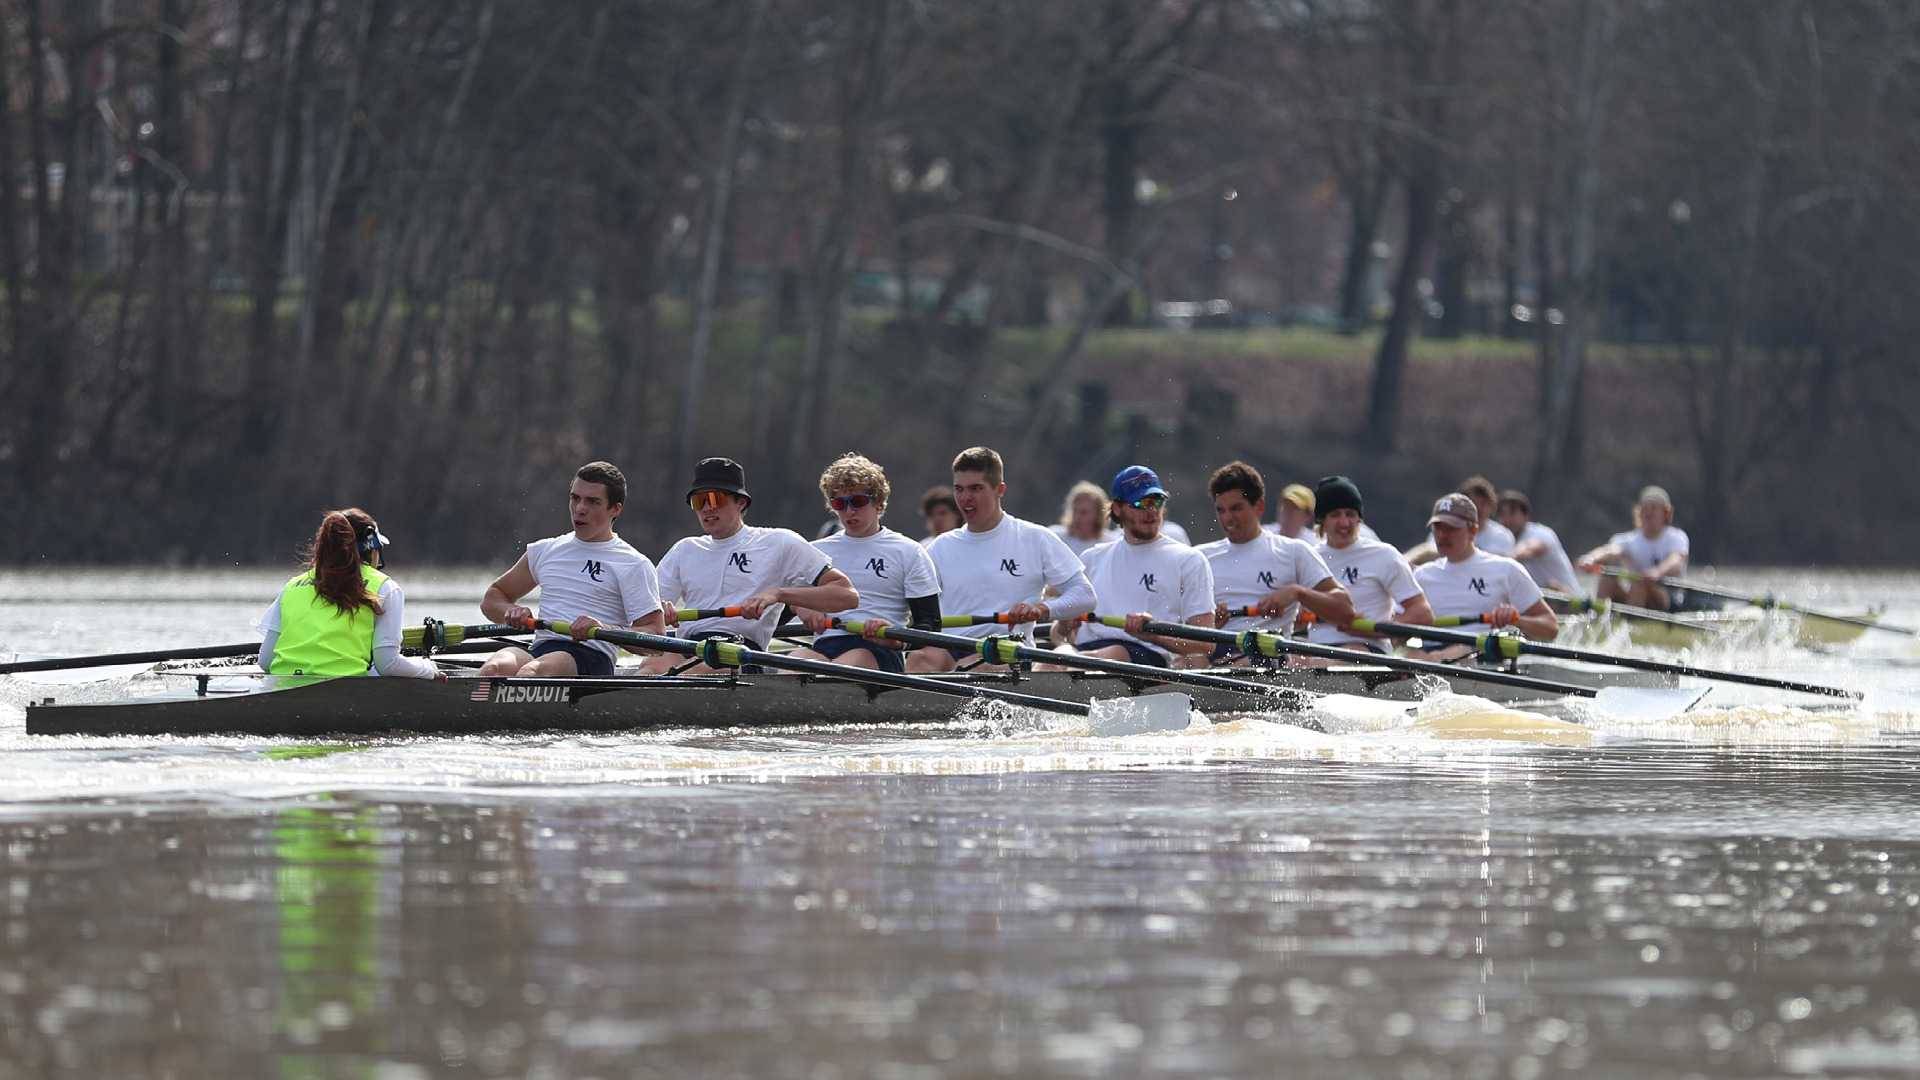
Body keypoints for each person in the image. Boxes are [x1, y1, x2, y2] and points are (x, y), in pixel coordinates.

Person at [639, 457, 859, 675]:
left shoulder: (780, 542)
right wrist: (658, 610)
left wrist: (779, 594)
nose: (706, 508)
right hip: (687, 645)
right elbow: (643, 616)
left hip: (739, 652)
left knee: (698, 670)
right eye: (699, 501)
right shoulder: (684, 549)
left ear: (741, 502)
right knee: (650, 667)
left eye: (715, 499)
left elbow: (846, 594)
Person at [478, 462, 665, 677]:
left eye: (592, 502)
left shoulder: (633, 564)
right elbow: (492, 598)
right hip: (540, 650)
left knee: (531, 671)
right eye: (575, 498)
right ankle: (476, 707)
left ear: (615, 509)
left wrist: (604, 629)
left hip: (591, 657)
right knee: (493, 668)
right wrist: (510, 612)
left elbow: (656, 637)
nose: (580, 509)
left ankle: (507, 706)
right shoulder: (544, 551)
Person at [923, 446, 1097, 665]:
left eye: (976, 488)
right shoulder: (939, 547)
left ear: (1000, 490)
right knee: (919, 660)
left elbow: (1085, 595)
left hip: (1008, 650)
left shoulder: (1035, 538)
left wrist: (1040, 610)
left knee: (970, 666)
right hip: (952, 649)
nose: (965, 498)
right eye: (959, 489)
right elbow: (907, 605)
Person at [788, 453, 947, 674]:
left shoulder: (909, 551)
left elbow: (930, 625)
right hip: (824, 649)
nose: (849, 511)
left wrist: (895, 639)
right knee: (795, 660)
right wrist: (798, 605)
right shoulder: (815, 551)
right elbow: (777, 614)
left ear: (878, 501)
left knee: (855, 658)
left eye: (858, 501)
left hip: (880, 650)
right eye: (840, 503)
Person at [1053, 466, 1216, 668]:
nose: (1151, 511)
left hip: (1146, 657)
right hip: (1086, 655)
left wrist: (1154, 636)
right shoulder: (1092, 558)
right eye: (1140, 503)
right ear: (1117, 509)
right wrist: (1064, 626)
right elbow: (1057, 636)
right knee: (1059, 654)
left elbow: (1206, 645)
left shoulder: (1189, 560)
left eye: (1157, 502)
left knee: (1112, 652)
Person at [1198, 462, 1355, 664]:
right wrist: (1209, 625)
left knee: (1226, 664)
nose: (1227, 518)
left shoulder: (1293, 552)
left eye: (1236, 508)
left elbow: (1345, 611)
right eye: (1221, 510)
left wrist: (1298, 592)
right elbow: (1177, 621)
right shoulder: (1200, 557)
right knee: (1187, 662)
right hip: (1213, 650)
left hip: (1265, 652)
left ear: (1259, 507)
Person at [257, 509, 443, 679]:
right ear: (371, 548)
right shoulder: (385, 588)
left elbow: (265, 661)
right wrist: (427, 668)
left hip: (286, 688)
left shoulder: (292, 586)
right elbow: (388, 665)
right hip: (346, 692)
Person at [1412, 492, 1558, 660]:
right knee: (1413, 655)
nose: (1442, 535)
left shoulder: (1506, 569)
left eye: (1452, 528)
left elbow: (1551, 627)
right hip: (1430, 653)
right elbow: (1394, 631)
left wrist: (1517, 620)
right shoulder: (1421, 576)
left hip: (1479, 651)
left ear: (1473, 531)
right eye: (1438, 527)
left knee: (1445, 655)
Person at [1309, 475, 1433, 654]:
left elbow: (1423, 614)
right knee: (1292, 662)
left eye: (1350, 514)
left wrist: (1374, 629)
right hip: (1314, 649)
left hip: (1367, 648)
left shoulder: (1384, 556)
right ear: (1322, 520)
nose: (1344, 523)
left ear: (1359, 517)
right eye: (1335, 515)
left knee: (1333, 657)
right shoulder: (1310, 557)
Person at [1577, 485, 1690, 610]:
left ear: (1666, 513)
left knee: (1639, 584)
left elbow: (1676, 562)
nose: (1648, 512)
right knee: (1606, 579)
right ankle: (1598, 621)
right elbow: (1610, 551)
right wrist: (1591, 558)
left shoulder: (1676, 537)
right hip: (1634, 596)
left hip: (1666, 600)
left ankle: (1633, 624)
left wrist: (1657, 572)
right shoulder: (1629, 540)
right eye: (1644, 508)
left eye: (1653, 508)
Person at [1405, 475, 1515, 565]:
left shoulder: (1501, 535)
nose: (1478, 509)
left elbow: (1491, 563)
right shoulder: (1425, 574)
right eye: (1473, 503)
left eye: (1483, 504)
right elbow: (1427, 552)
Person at [1496, 489, 1581, 595]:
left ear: (1526, 516)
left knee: (1551, 587)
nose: (1507, 520)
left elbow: (1529, 548)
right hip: (1537, 602)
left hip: (1569, 599)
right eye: (1503, 514)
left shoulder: (1542, 533)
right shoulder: (1502, 541)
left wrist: (1508, 558)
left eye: (1512, 514)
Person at [1049, 480, 1120, 558]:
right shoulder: (1056, 537)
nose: (1077, 518)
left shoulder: (1111, 544)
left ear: (1098, 515)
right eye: (1075, 511)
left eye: (1084, 513)